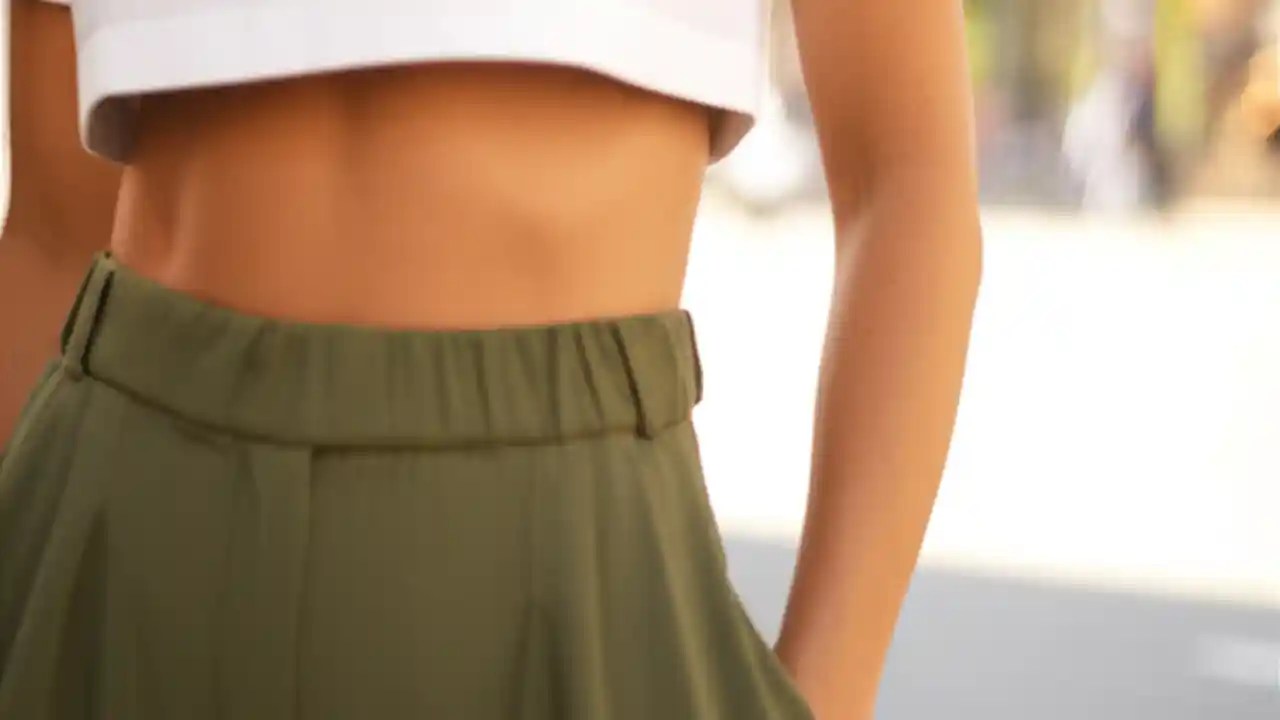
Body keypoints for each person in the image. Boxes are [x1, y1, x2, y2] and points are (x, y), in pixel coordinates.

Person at [0, 1, 981, 718]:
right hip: (118, 513)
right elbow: (52, 226)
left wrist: (828, 691)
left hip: (570, 558)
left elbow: (910, 178)